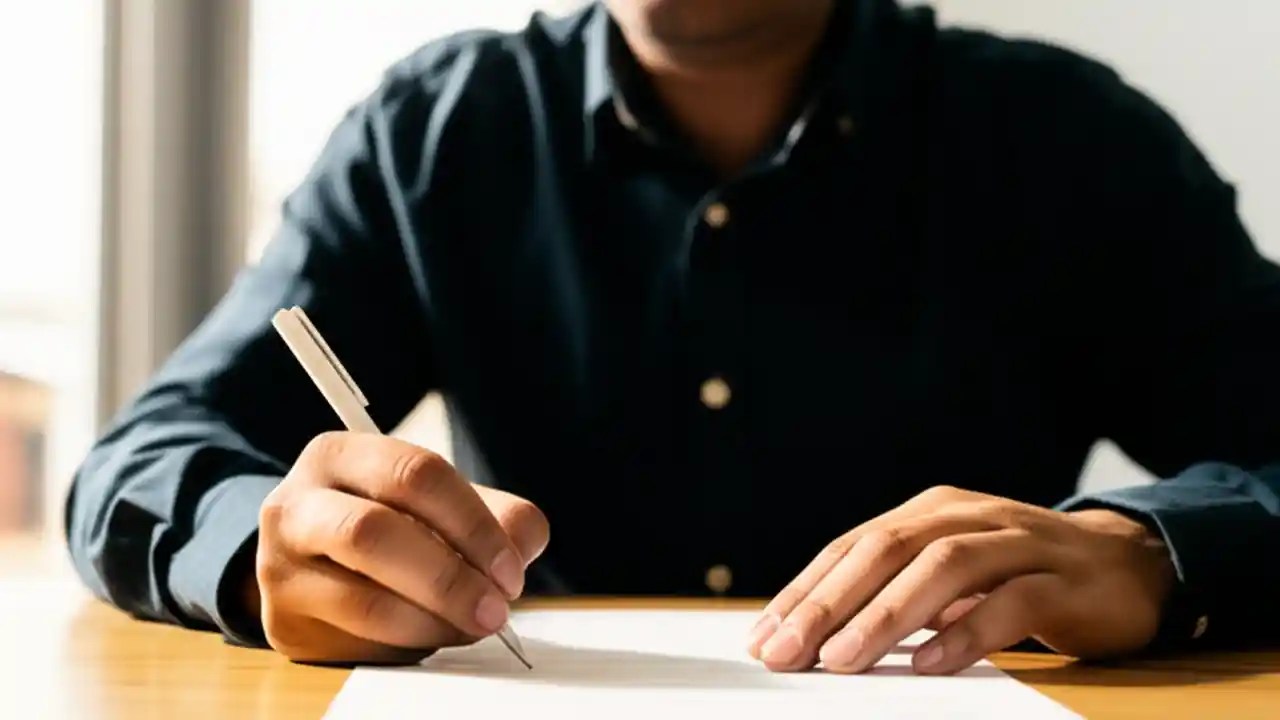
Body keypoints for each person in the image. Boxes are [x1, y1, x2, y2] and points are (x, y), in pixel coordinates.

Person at [67, 0, 1280, 676]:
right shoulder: (438, 134)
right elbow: (145, 456)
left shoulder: (1067, 142)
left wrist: (1149, 556)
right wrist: (264, 551)